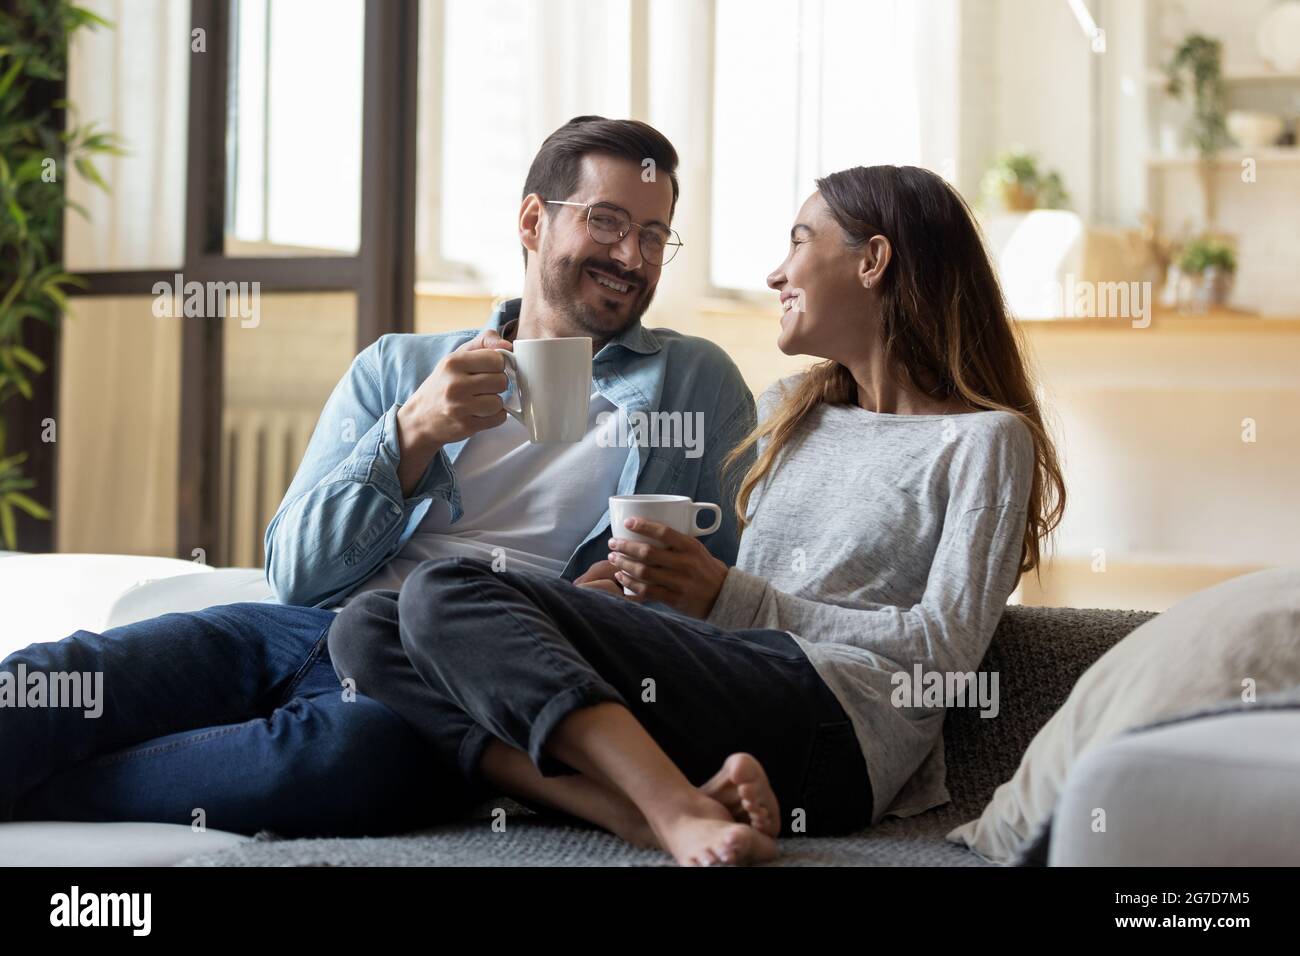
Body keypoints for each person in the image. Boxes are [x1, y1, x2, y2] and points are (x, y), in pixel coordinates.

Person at [0, 116, 755, 837]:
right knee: (65, 675)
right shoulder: (397, 367)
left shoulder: (695, 384)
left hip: (452, 681)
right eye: (608, 221)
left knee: (336, 760)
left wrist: (601, 617)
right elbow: (295, 575)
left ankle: (46, 793)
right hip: (303, 631)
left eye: (654, 235)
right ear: (533, 222)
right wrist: (411, 433)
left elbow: (718, 592)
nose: (632, 256)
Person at [328, 163, 1067, 865]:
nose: (776, 273)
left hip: (837, 733)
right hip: (735, 710)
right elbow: (738, 631)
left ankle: (669, 813)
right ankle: (641, 810)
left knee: (445, 590)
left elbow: (943, 658)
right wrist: (630, 609)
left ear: (873, 259)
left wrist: (725, 596)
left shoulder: (984, 441)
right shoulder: (793, 414)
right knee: (368, 625)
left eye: (799, 242)